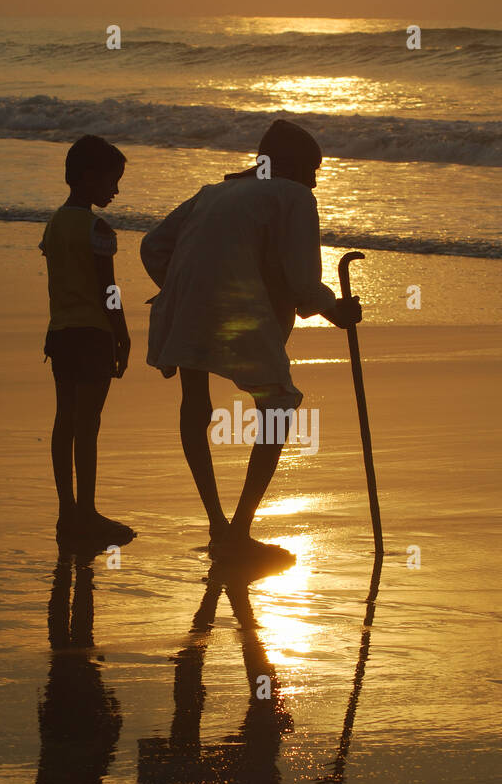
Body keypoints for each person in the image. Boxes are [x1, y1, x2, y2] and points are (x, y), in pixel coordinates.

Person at [140, 120, 361, 558]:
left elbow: (152, 246)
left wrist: (187, 287)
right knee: (277, 406)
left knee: (196, 406)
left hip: (186, 307)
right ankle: (238, 531)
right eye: (311, 168)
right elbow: (302, 282)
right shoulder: (295, 195)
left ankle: (218, 525)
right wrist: (337, 311)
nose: (315, 180)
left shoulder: (212, 193)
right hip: (241, 314)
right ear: (289, 165)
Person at [40, 135, 134, 546]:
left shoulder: (55, 223)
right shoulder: (98, 228)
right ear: (90, 177)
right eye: (112, 181)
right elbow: (107, 289)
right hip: (93, 334)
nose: (115, 190)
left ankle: (68, 512)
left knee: (65, 422)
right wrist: (123, 334)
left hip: (60, 333)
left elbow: (60, 280)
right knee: (88, 425)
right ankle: (88, 512)